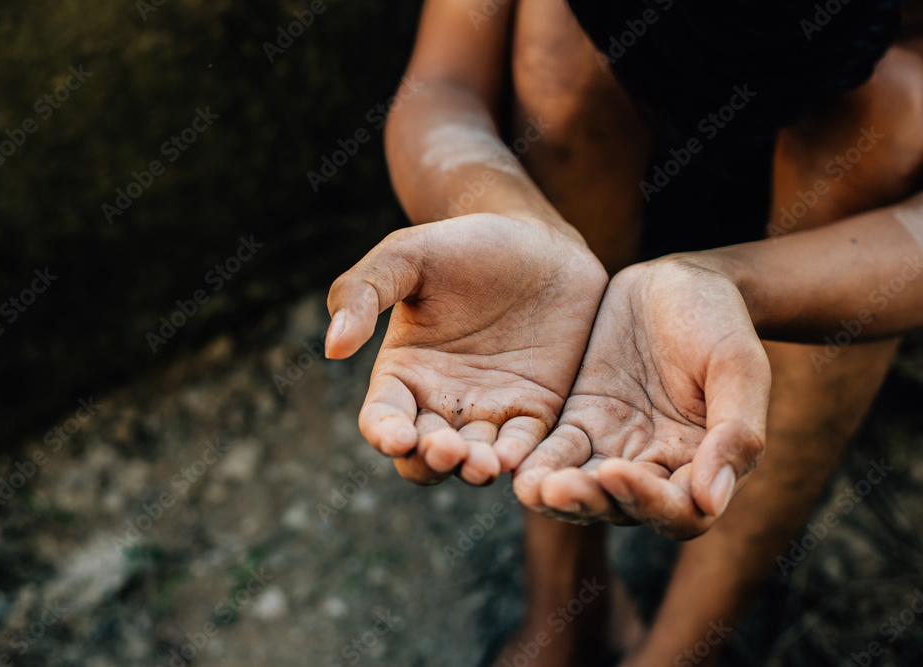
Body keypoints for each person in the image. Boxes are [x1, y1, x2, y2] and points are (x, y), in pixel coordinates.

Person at [326, 0, 923, 664]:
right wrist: (516, 221)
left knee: (897, 113)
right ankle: (566, 608)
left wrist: (731, 283)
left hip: (857, 209)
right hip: (616, 149)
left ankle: (679, 650)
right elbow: (440, 86)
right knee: (553, 40)